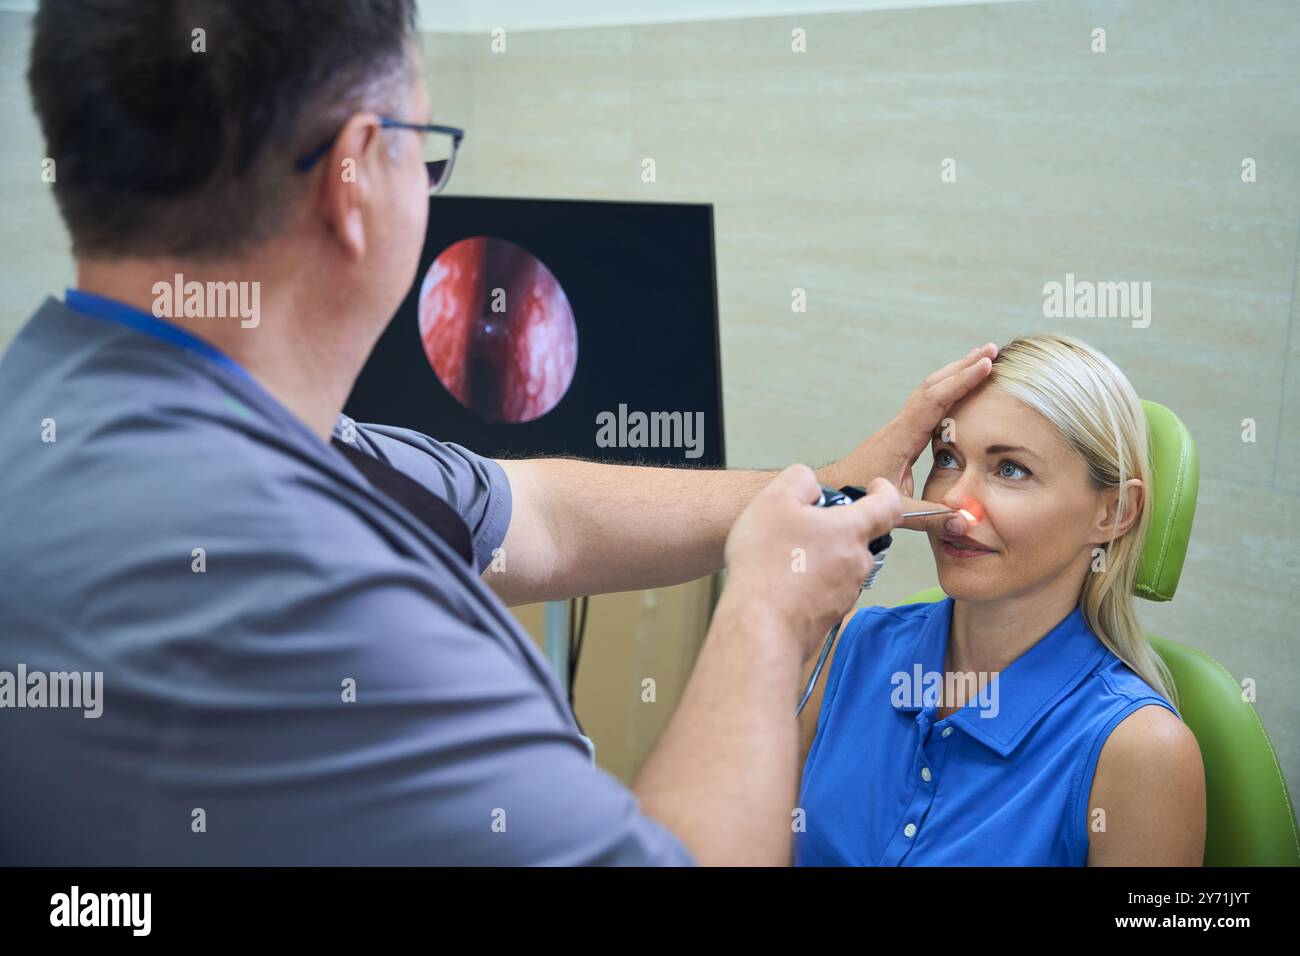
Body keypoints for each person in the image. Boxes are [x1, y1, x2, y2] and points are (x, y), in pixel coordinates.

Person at [0, 0, 990, 865]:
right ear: (353, 180)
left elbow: (534, 515)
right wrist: (767, 620)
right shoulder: (307, 590)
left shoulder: (90, 409)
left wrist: (817, 485)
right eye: (423, 152)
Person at [795, 333, 1207, 866]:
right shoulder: (850, 646)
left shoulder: (1140, 752)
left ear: (1114, 513)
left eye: (1011, 468)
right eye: (946, 459)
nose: (954, 504)